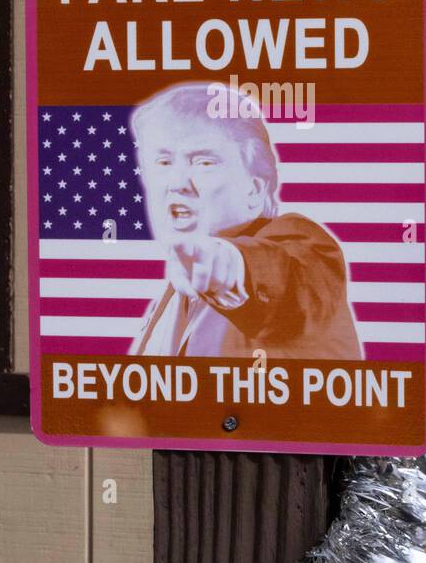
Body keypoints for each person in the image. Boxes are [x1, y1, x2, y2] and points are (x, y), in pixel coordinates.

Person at [129, 82, 362, 361]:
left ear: (254, 189)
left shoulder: (302, 250)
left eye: (203, 162)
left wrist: (233, 267)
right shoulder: (173, 296)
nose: (176, 183)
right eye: (163, 162)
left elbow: (290, 281)